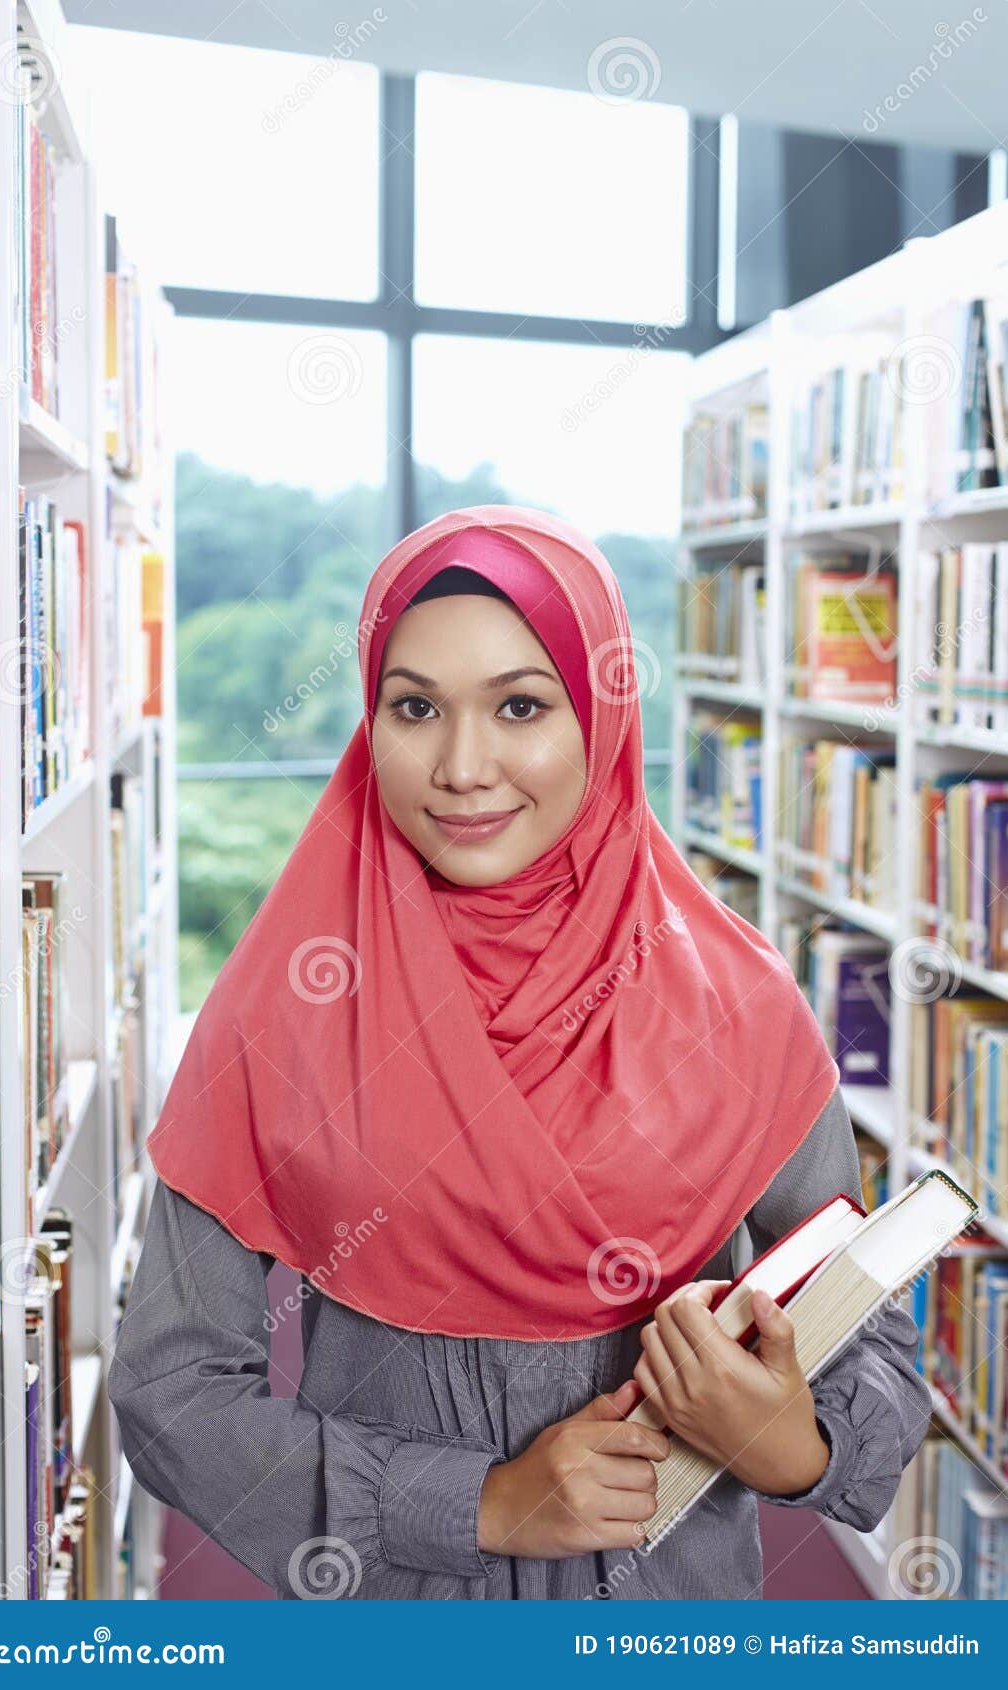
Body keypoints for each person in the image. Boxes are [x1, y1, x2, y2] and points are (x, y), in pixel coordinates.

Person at [108, 504, 931, 1600]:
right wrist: (481, 1501)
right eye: (413, 708)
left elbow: (872, 1342)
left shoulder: (741, 1009)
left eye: (521, 706)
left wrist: (792, 1444)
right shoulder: (286, 1006)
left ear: (601, 717)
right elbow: (171, 1389)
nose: (460, 766)